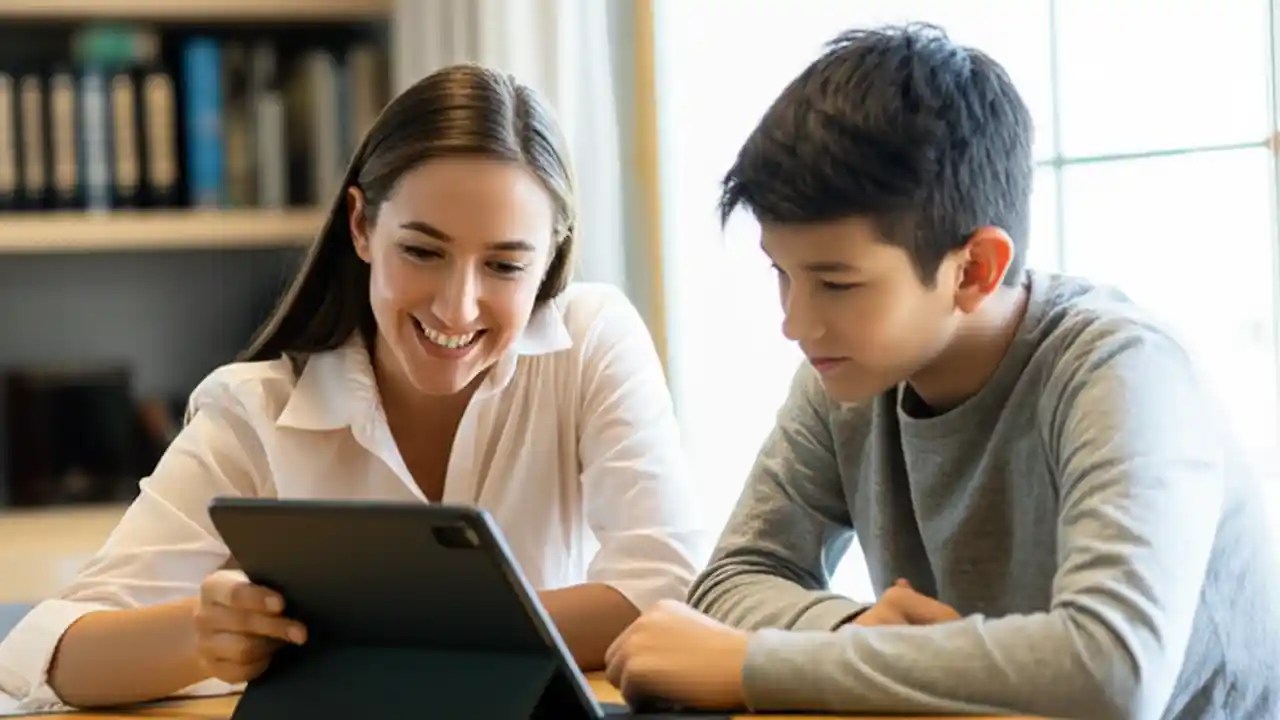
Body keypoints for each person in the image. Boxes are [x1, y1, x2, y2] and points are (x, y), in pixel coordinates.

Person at [603, 23, 1280, 720]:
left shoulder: (1123, 371)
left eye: (836, 284)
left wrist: (754, 663)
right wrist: (845, 633)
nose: (796, 323)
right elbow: (734, 577)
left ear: (974, 269)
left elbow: (1111, 670)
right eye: (782, 274)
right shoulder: (847, 374)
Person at [0, 63, 704, 712]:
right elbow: (44, 654)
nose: (458, 307)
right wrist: (200, 635)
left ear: (551, 255)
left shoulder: (591, 343)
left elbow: (665, 595)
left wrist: (380, 630)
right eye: (422, 252)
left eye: (505, 266)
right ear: (362, 225)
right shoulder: (255, 410)